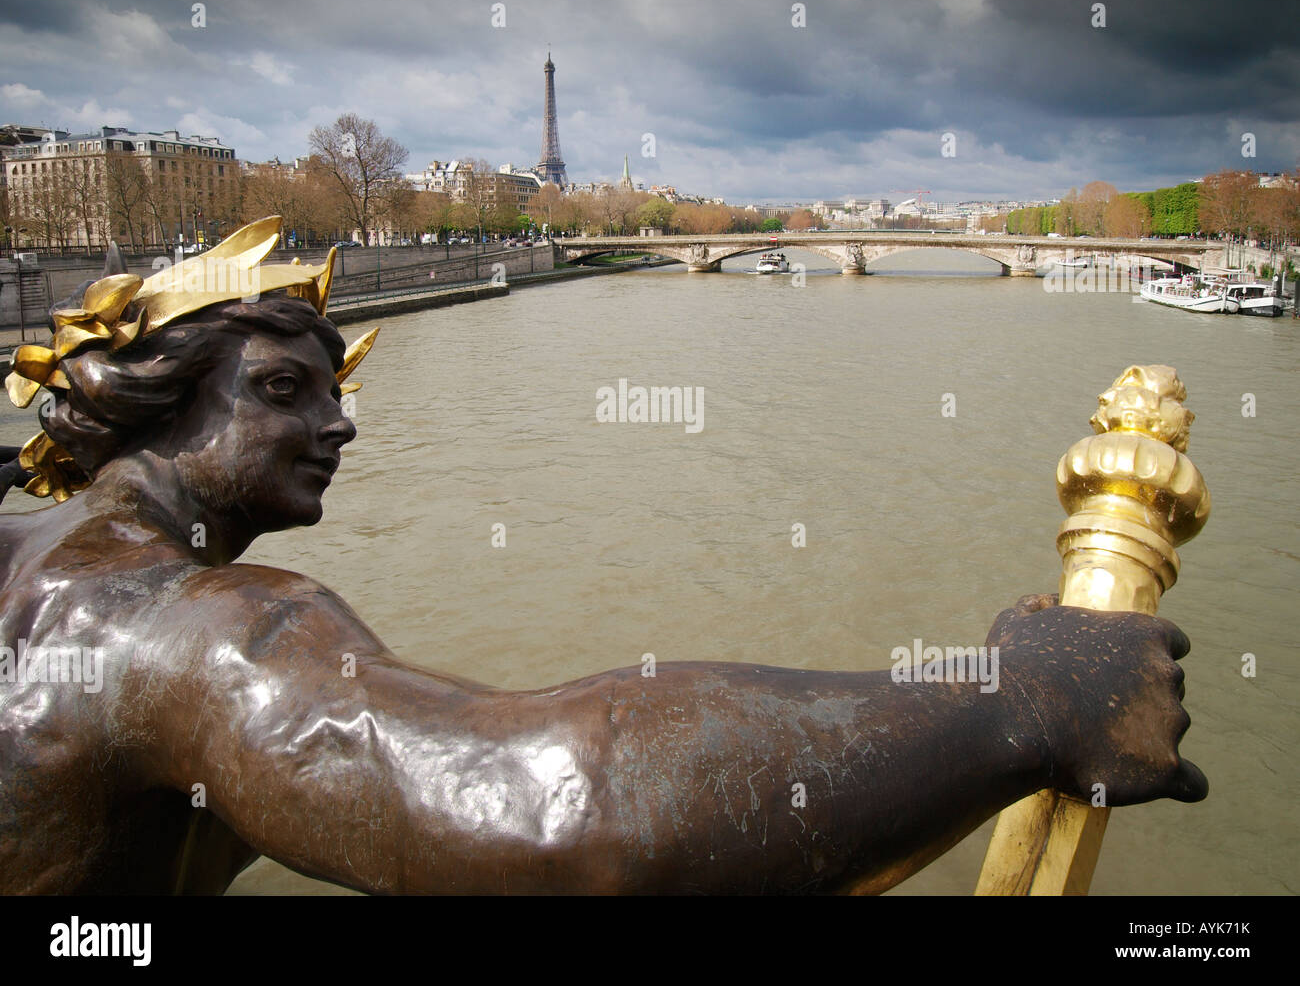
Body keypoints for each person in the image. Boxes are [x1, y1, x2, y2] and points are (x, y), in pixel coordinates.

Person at [0, 219, 1206, 895]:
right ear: (149, 400)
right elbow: (569, 801)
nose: (339, 423)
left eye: (333, 391)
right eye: (280, 389)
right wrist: (1020, 704)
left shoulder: (29, 554)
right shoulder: (193, 629)